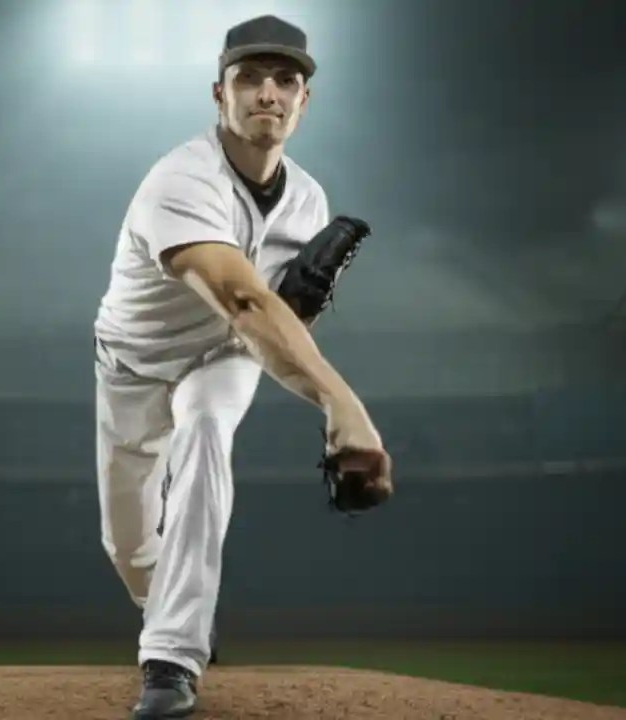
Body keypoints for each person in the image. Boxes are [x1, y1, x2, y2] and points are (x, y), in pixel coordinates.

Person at [91, 14, 392, 719]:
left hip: (220, 358)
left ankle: (170, 657)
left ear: (303, 101)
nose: (269, 92)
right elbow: (243, 298)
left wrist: (304, 316)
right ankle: (165, 598)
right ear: (218, 95)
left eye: (286, 80)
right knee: (128, 546)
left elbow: (268, 332)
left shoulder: (307, 199)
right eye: (249, 77)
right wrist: (344, 407)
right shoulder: (179, 180)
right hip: (131, 365)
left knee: (205, 432)